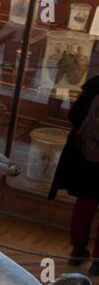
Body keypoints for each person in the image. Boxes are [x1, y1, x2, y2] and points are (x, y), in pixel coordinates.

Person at [49, 73, 99, 274]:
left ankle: (78, 250)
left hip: (89, 158)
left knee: (84, 205)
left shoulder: (95, 85)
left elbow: (74, 115)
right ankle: (98, 261)